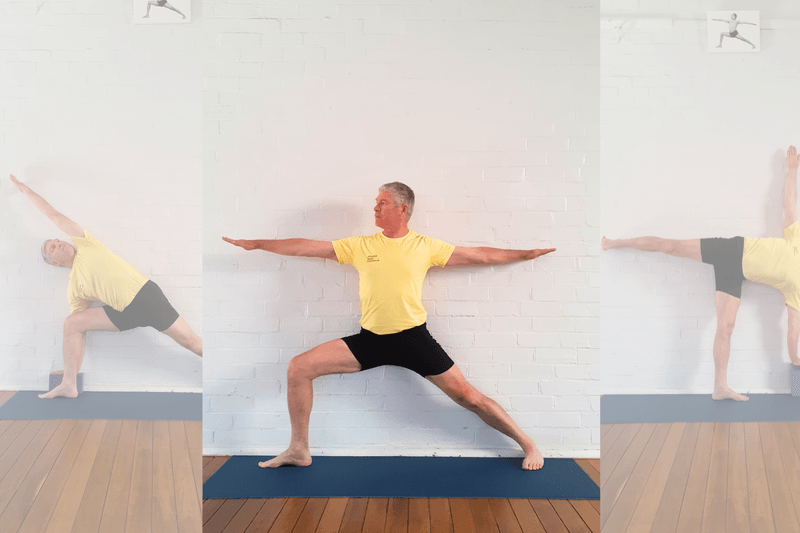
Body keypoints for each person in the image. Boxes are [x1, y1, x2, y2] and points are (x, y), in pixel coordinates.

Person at [223, 182, 555, 471]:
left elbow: (480, 256)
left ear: (402, 208)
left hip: (414, 340)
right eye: (376, 202)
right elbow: (307, 246)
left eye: (382, 203)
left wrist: (525, 254)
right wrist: (258, 244)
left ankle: (528, 444)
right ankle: (298, 450)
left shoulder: (425, 246)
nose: (375, 208)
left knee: (468, 396)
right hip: (371, 341)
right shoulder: (361, 245)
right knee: (298, 367)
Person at [602, 146, 800, 401]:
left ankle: (720, 387)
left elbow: (793, 325)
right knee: (671, 246)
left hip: (737, 275)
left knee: (725, 327)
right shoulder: (796, 240)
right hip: (732, 249)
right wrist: (791, 170)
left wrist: (795, 357)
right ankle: (615, 243)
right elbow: (790, 206)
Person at [9, 175, 202, 399]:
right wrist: (70, 367)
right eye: (53, 247)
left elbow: (54, 215)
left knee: (192, 343)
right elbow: (78, 332)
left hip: (146, 297)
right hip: (125, 312)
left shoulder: (85, 244)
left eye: (57, 240)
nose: (59, 242)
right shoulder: (75, 288)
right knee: (72, 323)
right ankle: (68, 383)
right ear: (54, 262)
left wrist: (25, 190)